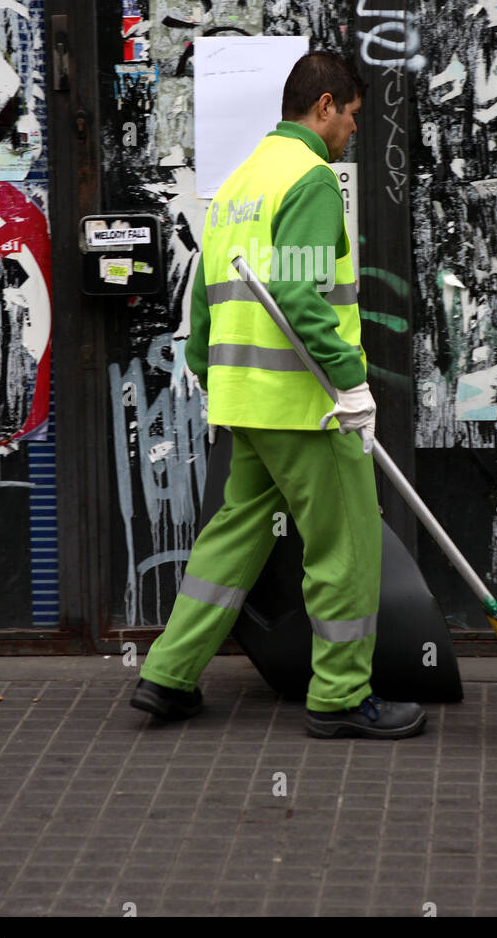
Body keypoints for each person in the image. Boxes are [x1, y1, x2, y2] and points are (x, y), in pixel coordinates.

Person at [130, 50, 427, 739]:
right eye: (351, 116)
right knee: (346, 547)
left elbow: (205, 299)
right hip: (306, 403)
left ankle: (167, 675)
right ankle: (341, 697)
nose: (353, 131)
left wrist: (212, 371)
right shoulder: (311, 179)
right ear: (324, 106)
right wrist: (350, 385)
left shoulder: (240, 183)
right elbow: (295, 292)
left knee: (232, 538)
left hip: (246, 402)